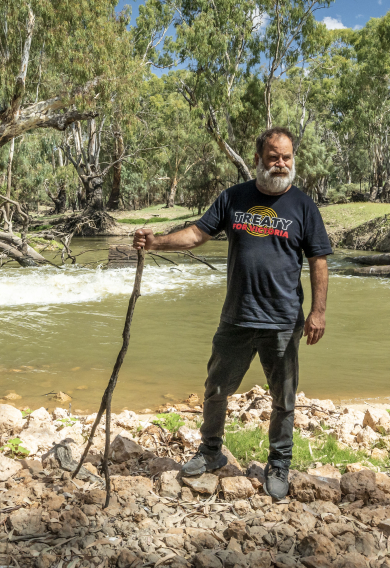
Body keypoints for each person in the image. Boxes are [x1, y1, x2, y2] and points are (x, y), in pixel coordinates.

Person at [132, 126, 331, 500]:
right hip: (236, 317)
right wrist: (157, 241)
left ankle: (279, 462)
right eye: (273, 157)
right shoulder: (234, 198)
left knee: (284, 398)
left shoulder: (303, 206)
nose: (280, 164)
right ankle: (210, 452)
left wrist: (317, 312)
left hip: (283, 320)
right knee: (215, 390)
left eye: (286, 157)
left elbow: (318, 259)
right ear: (257, 160)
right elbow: (195, 235)